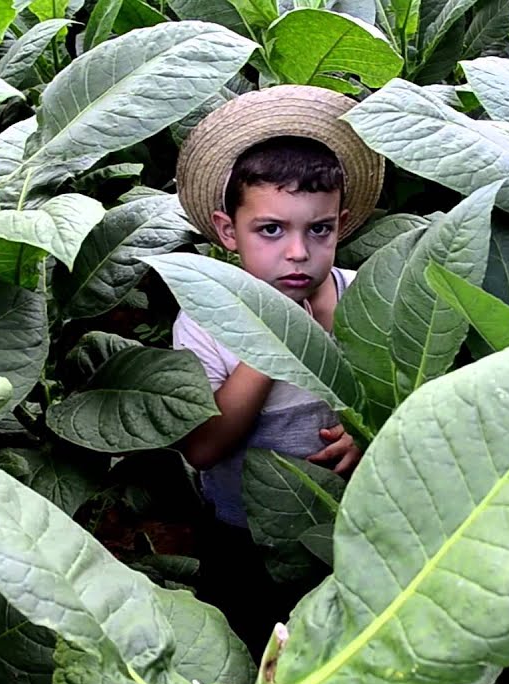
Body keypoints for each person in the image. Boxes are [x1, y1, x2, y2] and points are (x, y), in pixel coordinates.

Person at [169, 84, 385, 647]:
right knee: (251, 649)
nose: (298, 252)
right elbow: (203, 447)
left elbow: (402, 400)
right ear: (226, 231)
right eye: (271, 230)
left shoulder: (364, 299)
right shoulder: (205, 322)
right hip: (244, 535)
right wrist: (275, 338)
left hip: (359, 527)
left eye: (320, 229)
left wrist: (369, 437)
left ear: (341, 223)